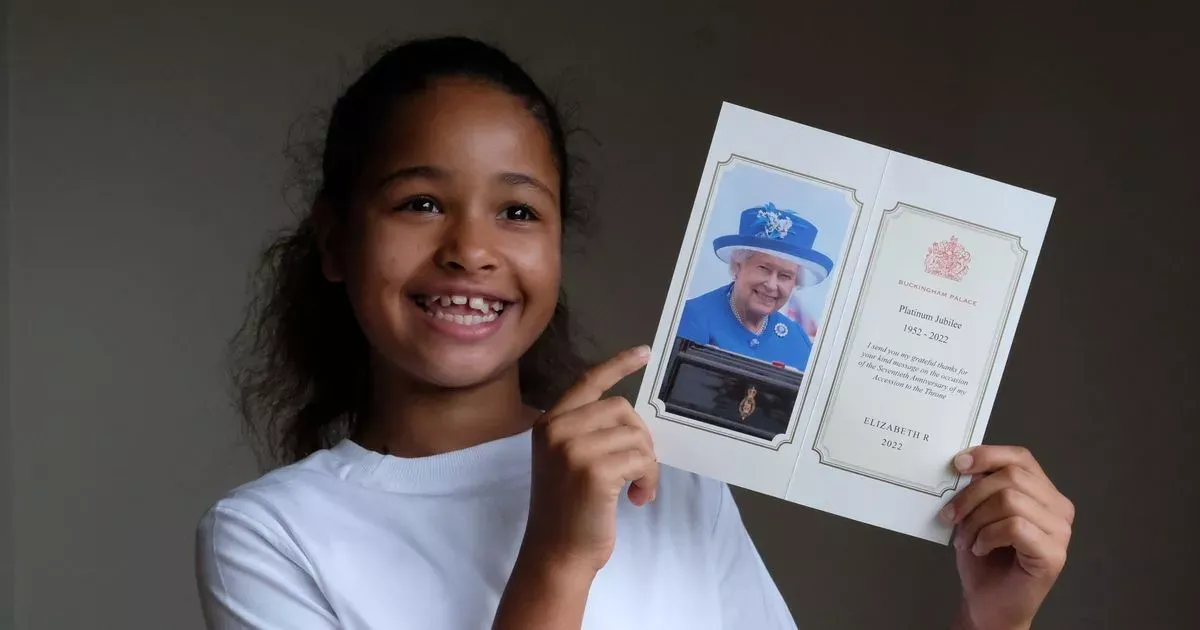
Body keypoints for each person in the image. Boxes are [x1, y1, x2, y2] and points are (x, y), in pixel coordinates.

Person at [194, 36, 1076, 630]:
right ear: (334, 241)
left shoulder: (670, 473)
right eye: (421, 203)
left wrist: (994, 620)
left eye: (516, 211)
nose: (470, 249)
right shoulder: (271, 534)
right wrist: (558, 554)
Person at [677, 204, 831, 370]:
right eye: (764, 269)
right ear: (737, 266)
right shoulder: (691, 318)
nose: (772, 285)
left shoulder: (798, 340)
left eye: (785, 276)